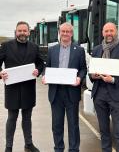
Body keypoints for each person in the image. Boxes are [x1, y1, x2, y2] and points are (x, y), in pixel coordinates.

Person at [0, 21, 44, 152]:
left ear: (29, 32)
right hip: (12, 89)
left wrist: (38, 71)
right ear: (16, 32)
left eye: (25, 31)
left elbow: (41, 64)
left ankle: (28, 144)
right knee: (12, 118)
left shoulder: (34, 47)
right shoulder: (6, 46)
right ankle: (9, 146)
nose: (22, 33)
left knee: (27, 118)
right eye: (20, 31)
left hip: (28, 89)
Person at [42, 22, 87, 152]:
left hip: (72, 92)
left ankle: (74, 149)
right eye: (63, 31)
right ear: (59, 33)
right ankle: (58, 148)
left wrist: (79, 78)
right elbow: (47, 68)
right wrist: (45, 76)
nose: (65, 34)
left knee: (73, 125)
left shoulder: (79, 50)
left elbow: (83, 68)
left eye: (68, 31)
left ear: (72, 34)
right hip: (56, 93)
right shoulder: (52, 50)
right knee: (57, 125)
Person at [90, 22, 119, 152]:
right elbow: (91, 71)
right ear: (103, 33)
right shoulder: (97, 49)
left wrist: (113, 79)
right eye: (106, 31)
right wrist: (93, 76)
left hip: (117, 95)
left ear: (116, 32)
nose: (109, 33)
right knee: (103, 131)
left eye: (111, 31)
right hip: (99, 95)